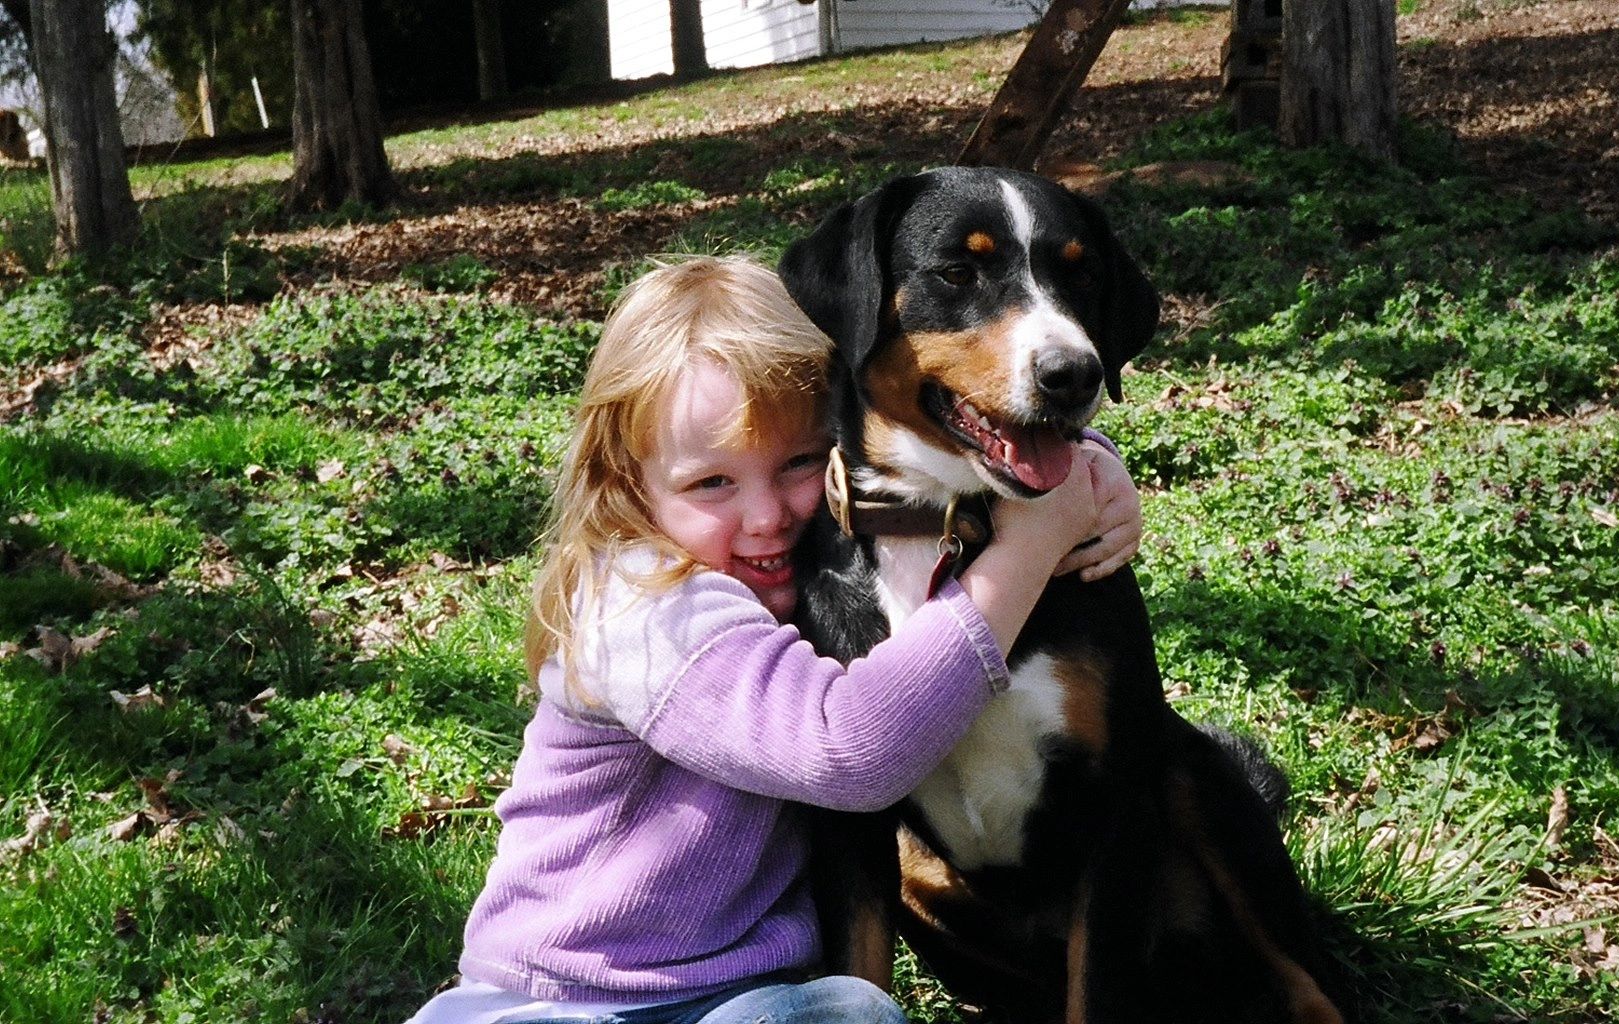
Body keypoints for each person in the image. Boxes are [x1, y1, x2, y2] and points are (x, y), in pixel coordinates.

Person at [406, 255, 1143, 1024]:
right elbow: (851, 750)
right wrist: (1031, 545)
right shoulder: (643, 604)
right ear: (625, 482)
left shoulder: (804, 568)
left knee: (850, 1013)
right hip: (559, 1000)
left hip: (736, 999)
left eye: (797, 463)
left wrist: (1081, 466)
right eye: (711, 483)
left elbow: (921, 465)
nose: (767, 517)